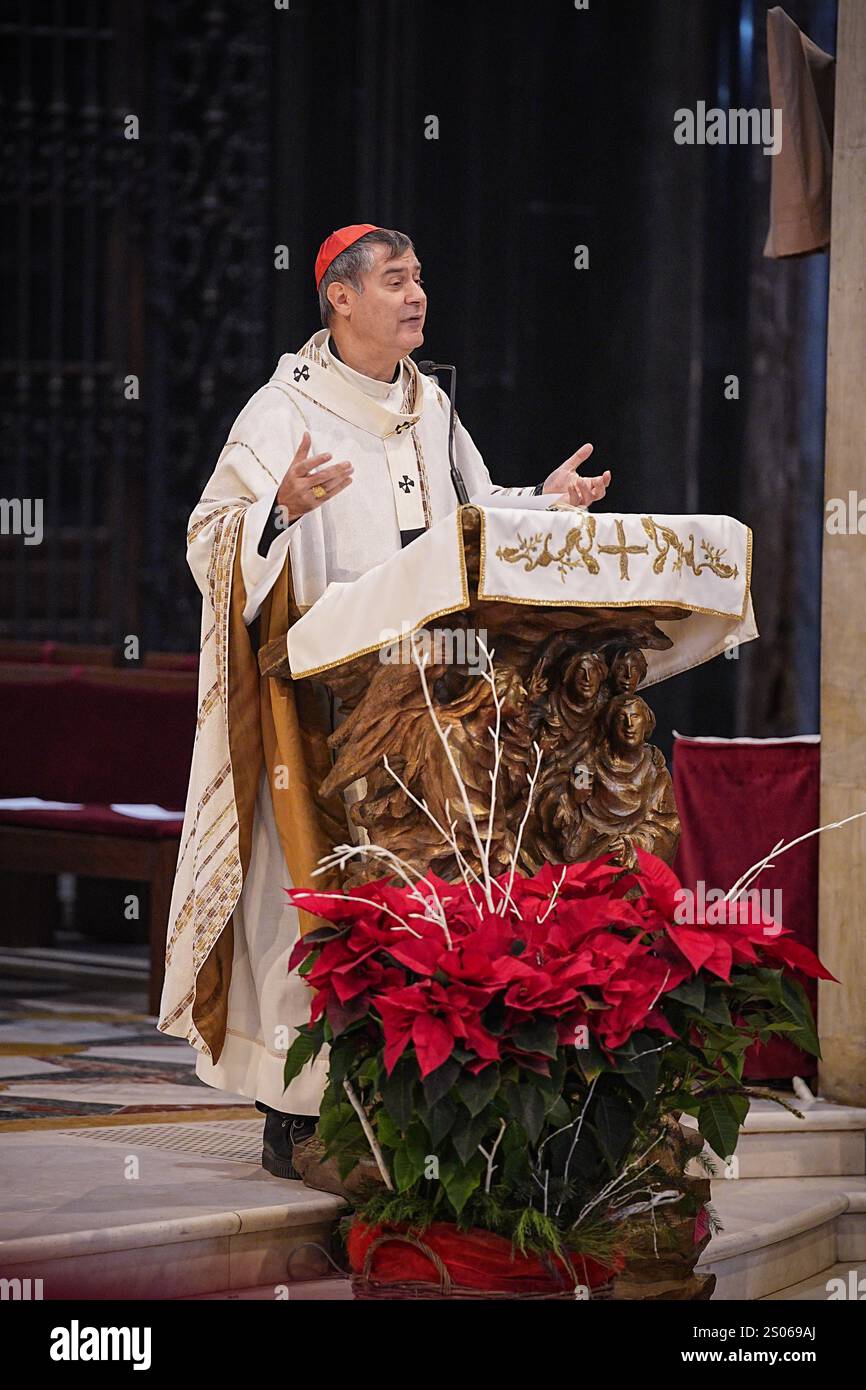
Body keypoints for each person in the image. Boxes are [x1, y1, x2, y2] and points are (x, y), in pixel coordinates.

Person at [157, 224, 612, 1179]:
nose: (418, 297)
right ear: (340, 297)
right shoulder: (283, 410)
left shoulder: (432, 409)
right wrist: (278, 509)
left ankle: (413, 1107)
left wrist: (548, 500)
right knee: (317, 902)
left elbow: (472, 521)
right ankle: (301, 1122)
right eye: (397, 281)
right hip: (325, 703)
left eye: (421, 280)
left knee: (422, 905)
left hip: (437, 700)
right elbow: (210, 539)